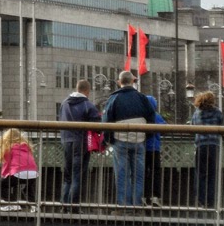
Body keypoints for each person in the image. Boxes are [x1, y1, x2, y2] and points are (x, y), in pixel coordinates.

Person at [101, 70, 157, 206]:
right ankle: (137, 205)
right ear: (133, 81)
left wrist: (107, 140)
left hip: (120, 141)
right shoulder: (142, 98)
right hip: (139, 141)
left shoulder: (114, 98)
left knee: (122, 175)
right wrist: (145, 136)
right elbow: (152, 118)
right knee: (138, 175)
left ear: (119, 82)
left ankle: (124, 205)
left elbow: (106, 120)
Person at [58, 78, 101, 206]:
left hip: (66, 141)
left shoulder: (64, 103)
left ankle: (63, 205)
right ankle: (74, 206)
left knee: (67, 176)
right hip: (81, 142)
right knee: (78, 175)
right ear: (87, 91)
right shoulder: (88, 105)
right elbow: (97, 125)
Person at [190, 90, 224, 206]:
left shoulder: (197, 113)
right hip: (214, 145)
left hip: (201, 145)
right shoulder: (217, 113)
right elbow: (222, 126)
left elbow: (192, 127)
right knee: (212, 174)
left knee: (200, 174)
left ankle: (201, 199)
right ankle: (211, 201)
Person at [0, 127, 38, 211]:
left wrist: (4, 175)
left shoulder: (10, 147)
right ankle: (34, 207)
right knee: (27, 189)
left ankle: (13, 204)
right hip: (33, 172)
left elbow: (7, 164)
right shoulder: (26, 147)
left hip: (19, 172)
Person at [142, 95, 167, 206]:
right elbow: (165, 128)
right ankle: (155, 197)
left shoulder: (142, 117)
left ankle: (143, 196)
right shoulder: (156, 116)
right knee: (155, 172)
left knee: (142, 173)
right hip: (154, 149)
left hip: (142, 148)